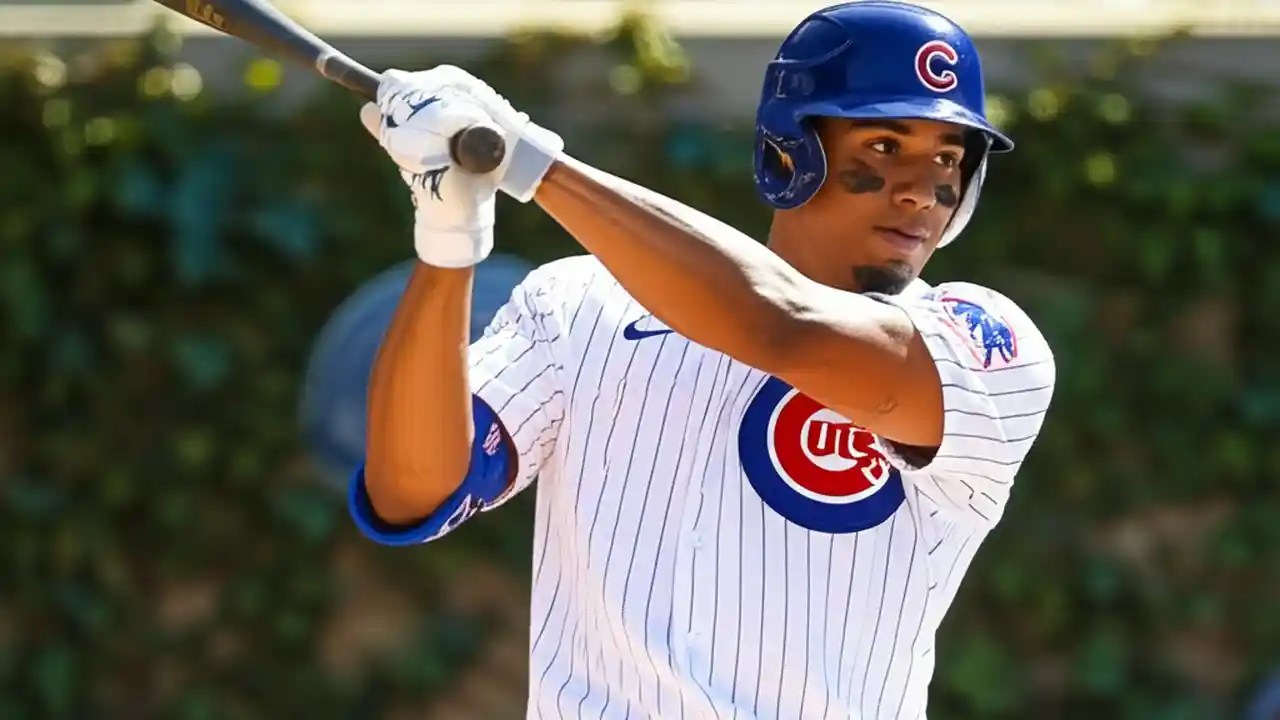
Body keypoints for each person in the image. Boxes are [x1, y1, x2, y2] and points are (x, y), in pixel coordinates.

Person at [347, 1, 1056, 717]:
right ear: (791, 150)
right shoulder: (578, 303)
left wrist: (531, 160)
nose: (917, 189)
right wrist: (447, 237)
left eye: (946, 157)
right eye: (882, 145)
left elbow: (780, 325)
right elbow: (414, 491)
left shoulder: (985, 347)